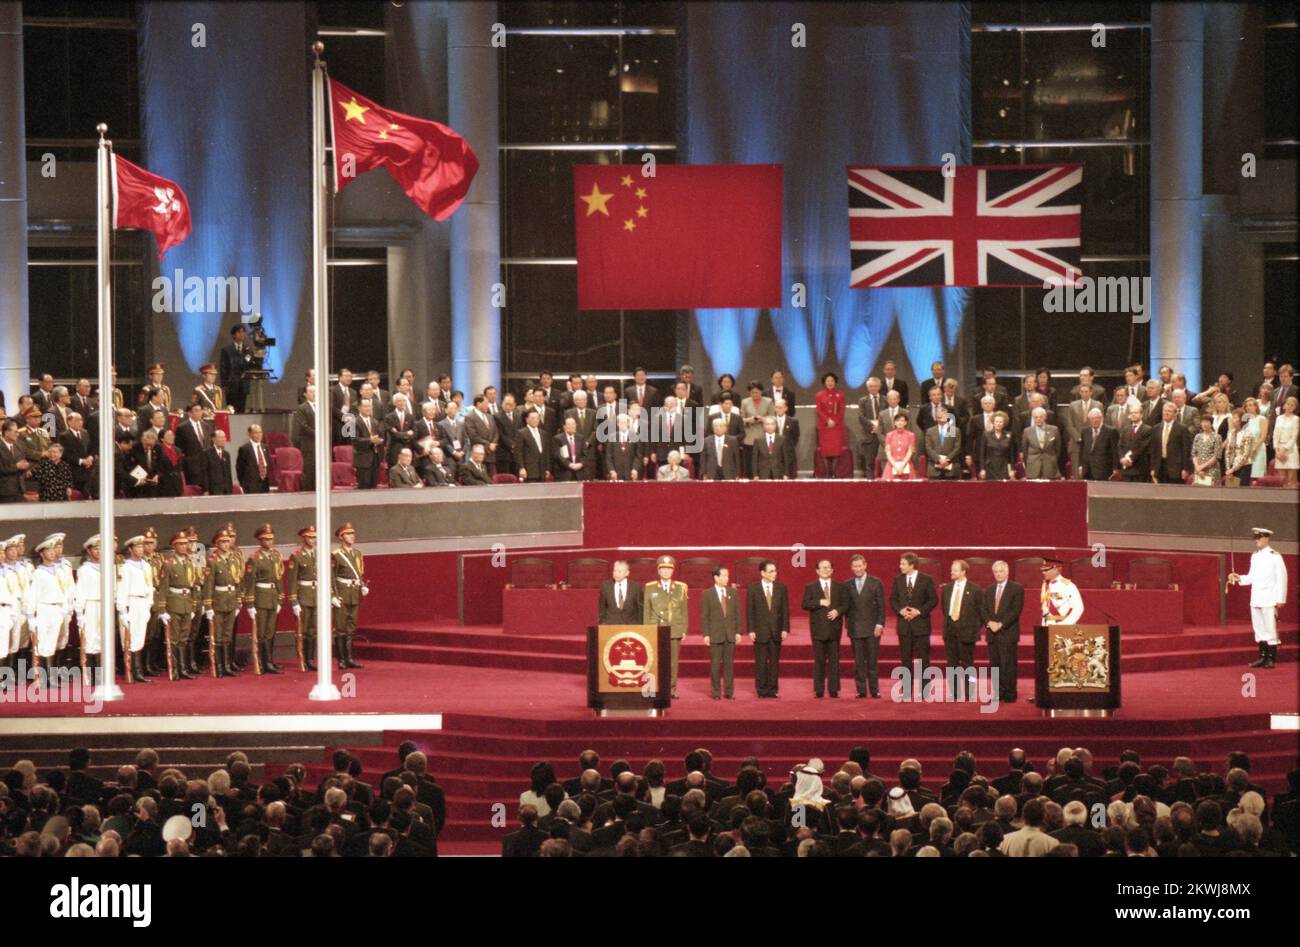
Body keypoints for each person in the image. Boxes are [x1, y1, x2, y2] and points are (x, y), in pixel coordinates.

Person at [1228, 527, 1287, 669]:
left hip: (1269, 599)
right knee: (1259, 629)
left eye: (1259, 538)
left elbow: (1282, 579)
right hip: (1256, 598)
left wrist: (1280, 598)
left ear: (1266, 539)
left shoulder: (1275, 556)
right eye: (1255, 538)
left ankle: (1271, 658)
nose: (1256, 541)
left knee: (1270, 629)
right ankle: (1262, 657)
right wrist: (1239, 578)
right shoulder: (1255, 556)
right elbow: (1251, 577)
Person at [802, 559, 848, 699]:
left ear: (832, 570)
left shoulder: (840, 587)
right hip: (818, 629)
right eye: (823, 568)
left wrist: (837, 612)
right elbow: (805, 604)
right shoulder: (811, 587)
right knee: (819, 661)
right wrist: (819, 602)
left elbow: (846, 604)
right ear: (817, 571)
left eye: (828, 567)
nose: (826, 570)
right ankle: (819, 690)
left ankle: (834, 690)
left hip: (834, 629)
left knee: (834, 661)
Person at [643, 556, 688, 699]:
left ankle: (672, 689)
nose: (666, 571)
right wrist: (647, 629)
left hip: (674, 628)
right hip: (657, 628)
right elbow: (646, 610)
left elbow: (684, 611)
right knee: (656, 660)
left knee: (673, 662)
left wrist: (684, 629)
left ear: (673, 571)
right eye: (663, 569)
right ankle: (656, 687)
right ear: (658, 570)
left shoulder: (681, 588)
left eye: (669, 569)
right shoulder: (650, 587)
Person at [890, 553, 937, 688]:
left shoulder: (926, 579)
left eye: (903, 564)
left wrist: (919, 611)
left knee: (924, 659)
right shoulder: (898, 579)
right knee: (905, 660)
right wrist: (900, 610)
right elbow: (893, 599)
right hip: (904, 626)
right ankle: (906, 689)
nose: (900, 566)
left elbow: (933, 600)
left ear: (912, 565)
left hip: (921, 626)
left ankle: (925, 689)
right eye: (900, 563)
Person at [243, 524, 285, 675]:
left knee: (270, 631)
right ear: (260, 541)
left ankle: (269, 661)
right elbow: (250, 582)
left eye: (271, 539)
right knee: (262, 633)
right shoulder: (254, 559)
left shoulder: (276, 556)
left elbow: (279, 578)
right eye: (266, 539)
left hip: (273, 597)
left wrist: (280, 598)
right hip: (260, 597)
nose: (269, 542)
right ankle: (263, 661)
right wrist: (250, 603)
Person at [203, 527, 244, 678]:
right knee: (218, 635)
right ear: (217, 543)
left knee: (227, 635)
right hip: (218, 601)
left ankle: (227, 665)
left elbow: (237, 581)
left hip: (231, 599)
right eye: (223, 542)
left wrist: (238, 601)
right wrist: (208, 606)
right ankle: (219, 666)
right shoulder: (213, 562)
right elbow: (208, 585)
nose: (226, 544)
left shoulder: (233, 559)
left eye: (228, 541)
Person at [844, 554, 885, 699]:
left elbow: (881, 606)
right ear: (851, 567)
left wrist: (880, 625)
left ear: (865, 565)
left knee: (872, 662)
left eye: (860, 565)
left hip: (872, 629)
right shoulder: (847, 584)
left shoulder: (876, 582)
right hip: (855, 629)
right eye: (855, 566)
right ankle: (861, 690)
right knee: (859, 663)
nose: (858, 569)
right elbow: (845, 606)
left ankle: (875, 690)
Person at [940, 559, 984, 693]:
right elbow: (944, 609)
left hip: (968, 633)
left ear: (963, 572)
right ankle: (954, 691)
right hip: (950, 632)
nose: (951, 572)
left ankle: (969, 690)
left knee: (968, 664)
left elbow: (981, 611)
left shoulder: (975, 589)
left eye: (955, 570)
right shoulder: (947, 589)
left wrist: (974, 629)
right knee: (951, 663)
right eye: (952, 569)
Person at [745, 559, 788, 699]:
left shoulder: (781, 588)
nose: (774, 573)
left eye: (775, 571)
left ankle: (773, 689)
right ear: (762, 573)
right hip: (760, 632)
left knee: (774, 663)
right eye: (771, 571)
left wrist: (785, 629)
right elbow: (750, 611)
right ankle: (761, 690)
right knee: (761, 663)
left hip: (776, 631)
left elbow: (785, 610)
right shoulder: (753, 588)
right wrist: (751, 630)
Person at [983, 561, 1023, 703]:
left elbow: (1016, 610)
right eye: (996, 571)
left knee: (1008, 664)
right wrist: (989, 623)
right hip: (992, 633)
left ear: (1007, 572)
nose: (998, 574)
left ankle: (1010, 693)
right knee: (995, 665)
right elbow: (984, 610)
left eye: (1001, 571)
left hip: (1008, 632)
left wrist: (1000, 624)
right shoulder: (989, 589)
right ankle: (997, 692)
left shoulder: (1017, 588)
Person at [115, 535, 154, 684]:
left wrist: (149, 604)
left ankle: (139, 671)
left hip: (142, 602)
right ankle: (130, 670)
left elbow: (149, 586)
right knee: (128, 638)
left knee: (139, 637)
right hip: (131, 601)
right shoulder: (126, 567)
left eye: (141, 546)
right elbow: (122, 589)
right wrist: (122, 610)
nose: (141, 549)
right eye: (137, 547)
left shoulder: (146, 565)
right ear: (130, 549)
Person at [699, 567, 740, 700]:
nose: (727, 578)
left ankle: (729, 692)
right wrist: (706, 634)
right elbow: (704, 616)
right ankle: (716, 692)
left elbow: (737, 614)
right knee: (715, 666)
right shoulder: (707, 594)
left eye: (727, 576)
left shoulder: (733, 593)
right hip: (715, 635)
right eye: (724, 576)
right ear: (716, 578)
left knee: (729, 666)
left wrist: (738, 632)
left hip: (730, 634)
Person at [331, 523, 367, 670]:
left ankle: (349, 658)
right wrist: (333, 595)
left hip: (353, 593)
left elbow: (358, 573)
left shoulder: (357, 554)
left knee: (351, 626)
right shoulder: (336, 555)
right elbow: (332, 577)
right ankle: (341, 659)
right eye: (348, 534)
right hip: (342, 593)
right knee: (340, 627)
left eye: (352, 533)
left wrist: (362, 585)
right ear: (341, 537)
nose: (352, 536)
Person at [285, 526, 320, 672]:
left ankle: (310, 659)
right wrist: (294, 601)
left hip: (316, 596)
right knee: (303, 630)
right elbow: (292, 580)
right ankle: (302, 658)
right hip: (303, 596)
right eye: (310, 537)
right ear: (303, 538)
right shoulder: (297, 556)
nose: (313, 540)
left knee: (313, 630)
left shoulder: (319, 554)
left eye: (314, 537)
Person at [814, 373, 848, 478]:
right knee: (825, 452)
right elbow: (818, 410)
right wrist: (827, 420)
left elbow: (842, 411)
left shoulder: (840, 395)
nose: (830, 383)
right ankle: (828, 474)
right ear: (824, 382)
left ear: (835, 382)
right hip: (824, 427)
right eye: (828, 381)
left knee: (836, 451)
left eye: (832, 381)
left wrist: (835, 421)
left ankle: (834, 473)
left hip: (836, 427)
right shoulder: (819, 395)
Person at [1152, 401, 1191, 484]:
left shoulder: (1182, 429)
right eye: (1164, 411)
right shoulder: (1156, 428)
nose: (1166, 413)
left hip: (1176, 469)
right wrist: (1153, 468)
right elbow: (1153, 450)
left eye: (1169, 411)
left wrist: (1185, 469)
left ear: (1175, 414)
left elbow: (1186, 450)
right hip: (1159, 468)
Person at [1078, 407, 1119, 481]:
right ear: (1089, 420)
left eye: (1097, 418)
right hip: (1087, 470)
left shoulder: (1111, 431)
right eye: (1092, 418)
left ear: (1101, 418)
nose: (1095, 420)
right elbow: (1082, 450)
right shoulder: (1085, 431)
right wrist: (1080, 465)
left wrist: (1115, 468)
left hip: (1104, 471)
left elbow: (1115, 452)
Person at [220, 324, 253, 413]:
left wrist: (246, 373)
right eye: (239, 332)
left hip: (243, 385)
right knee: (231, 409)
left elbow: (249, 365)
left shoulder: (248, 350)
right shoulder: (226, 349)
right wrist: (224, 384)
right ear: (233, 335)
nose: (242, 334)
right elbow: (223, 368)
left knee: (241, 409)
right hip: (231, 385)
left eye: (243, 332)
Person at [1039, 559, 1084, 625]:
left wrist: (1063, 624)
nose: (1043, 572)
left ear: (1055, 570)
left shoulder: (1068, 586)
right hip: (1047, 626)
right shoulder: (1045, 585)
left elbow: (1078, 608)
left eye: (1046, 570)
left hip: (1063, 627)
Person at [351, 401, 384, 489]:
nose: (368, 408)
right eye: (365, 406)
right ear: (359, 408)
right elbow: (354, 440)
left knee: (374, 486)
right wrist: (370, 440)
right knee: (364, 487)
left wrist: (379, 440)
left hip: (375, 458)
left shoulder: (375, 421)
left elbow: (381, 436)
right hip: (362, 459)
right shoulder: (354, 422)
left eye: (369, 406)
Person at [598, 560, 643, 625]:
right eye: (614, 571)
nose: (616, 573)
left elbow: (640, 609)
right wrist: (603, 623)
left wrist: (639, 625)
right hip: (610, 625)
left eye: (619, 571)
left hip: (630, 625)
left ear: (627, 573)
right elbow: (602, 608)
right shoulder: (605, 586)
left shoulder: (635, 587)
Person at [1022, 407, 1061, 480]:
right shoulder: (1027, 431)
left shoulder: (1054, 429)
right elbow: (1025, 450)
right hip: (1033, 466)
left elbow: (1058, 449)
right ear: (1033, 418)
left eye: (1040, 417)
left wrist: (1052, 459)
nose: (1038, 419)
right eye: (1036, 417)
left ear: (1045, 417)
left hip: (1050, 466)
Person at [924, 405, 961, 479]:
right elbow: (928, 448)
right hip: (934, 468)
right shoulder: (930, 431)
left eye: (943, 415)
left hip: (951, 468)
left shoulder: (953, 430)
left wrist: (947, 459)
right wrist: (939, 460)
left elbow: (957, 447)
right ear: (936, 417)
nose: (941, 418)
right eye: (939, 416)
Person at [292, 384, 318, 491]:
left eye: (316, 391)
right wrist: (318, 434)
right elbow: (303, 426)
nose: (314, 394)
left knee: (319, 471)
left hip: (320, 445)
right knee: (309, 470)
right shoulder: (302, 408)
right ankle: (307, 493)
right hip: (309, 444)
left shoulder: (322, 406)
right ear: (306, 394)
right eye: (311, 392)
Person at [978, 411, 1016, 480]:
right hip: (990, 467)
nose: (999, 424)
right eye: (997, 421)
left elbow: (1012, 455)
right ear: (993, 422)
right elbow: (982, 454)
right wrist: (982, 469)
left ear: (1004, 423)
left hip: (1004, 466)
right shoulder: (986, 435)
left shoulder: (1009, 435)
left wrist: (1012, 469)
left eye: (1001, 422)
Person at [236, 425, 273, 494]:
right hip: (251, 485)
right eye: (256, 433)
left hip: (264, 484)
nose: (259, 435)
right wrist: (243, 484)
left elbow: (268, 465)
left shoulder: (265, 447)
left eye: (260, 432)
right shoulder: (244, 449)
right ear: (249, 434)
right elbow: (239, 468)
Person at [1190, 413, 1224, 486]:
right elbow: (1194, 454)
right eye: (1203, 422)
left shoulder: (1217, 437)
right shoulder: (1197, 436)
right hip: (1198, 470)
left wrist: (1202, 467)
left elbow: (1216, 456)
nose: (1204, 424)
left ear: (1211, 424)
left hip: (1211, 470)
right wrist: (1197, 467)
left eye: (1207, 422)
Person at [1272, 396, 1299, 488]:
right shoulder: (1279, 418)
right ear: (1284, 405)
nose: (1289, 407)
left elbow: (1294, 437)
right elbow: (1275, 435)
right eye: (1288, 404)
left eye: (1292, 405)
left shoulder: (1296, 419)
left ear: (1295, 408)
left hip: (1290, 450)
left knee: (1292, 480)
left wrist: (1284, 449)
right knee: (1282, 480)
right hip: (1279, 450)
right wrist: (1277, 450)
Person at [881, 411, 916, 480]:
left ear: (905, 423)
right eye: (897, 421)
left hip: (906, 465)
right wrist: (895, 466)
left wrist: (902, 465)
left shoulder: (911, 435)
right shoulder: (889, 435)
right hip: (891, 465)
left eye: (902, 421)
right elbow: (888, 453)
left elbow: (910, 452)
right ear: (894, 422)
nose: (899, 423)